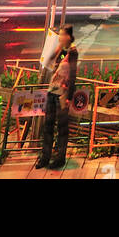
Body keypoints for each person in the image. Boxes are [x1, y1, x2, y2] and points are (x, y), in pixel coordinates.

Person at [35, 25, 78, 170]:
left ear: (68, 36)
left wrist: (69, 97)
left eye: (61, 35)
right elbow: (48, 62)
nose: (59, 37)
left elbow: (73, 76)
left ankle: (60, 158)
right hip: (52, 91)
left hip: (62, 95)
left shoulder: (73, 52)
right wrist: (58, 48)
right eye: (59, 35)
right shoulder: (61, 51)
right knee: (47, 126)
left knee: (62, 128)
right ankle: (45, 157)